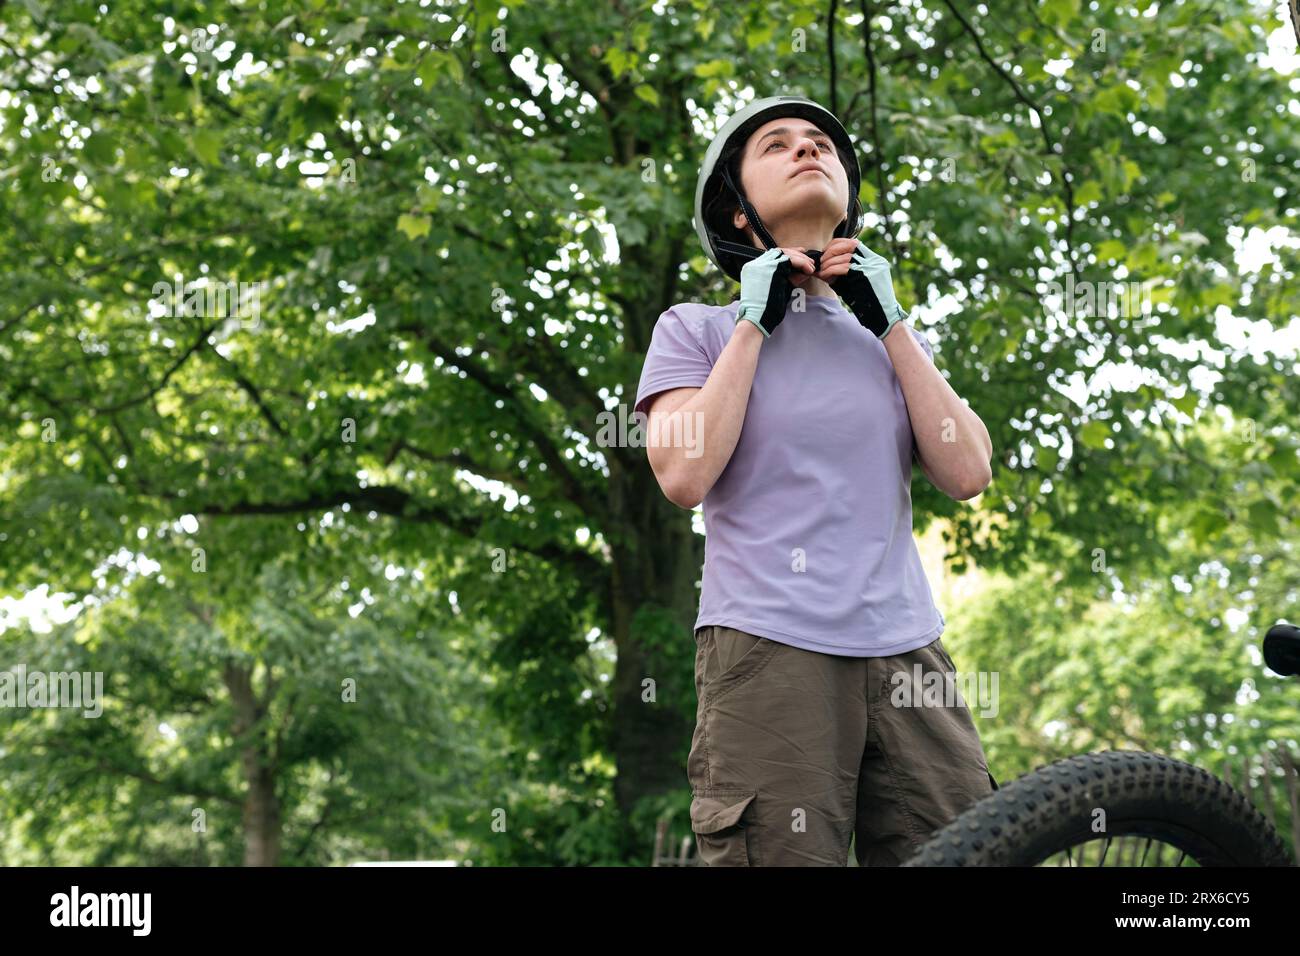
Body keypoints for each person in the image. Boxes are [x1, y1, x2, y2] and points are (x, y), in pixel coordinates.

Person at [634, 95, 998, 866]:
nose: (809, 150)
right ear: (738, 215)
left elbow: (967, 470)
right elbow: (683, 472)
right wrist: (752, 324)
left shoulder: (892, 336)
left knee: (970, 855)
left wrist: (892, 324)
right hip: (769, 647)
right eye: (778, 145)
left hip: (909, 656)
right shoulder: (693, 329)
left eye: (821, 144)